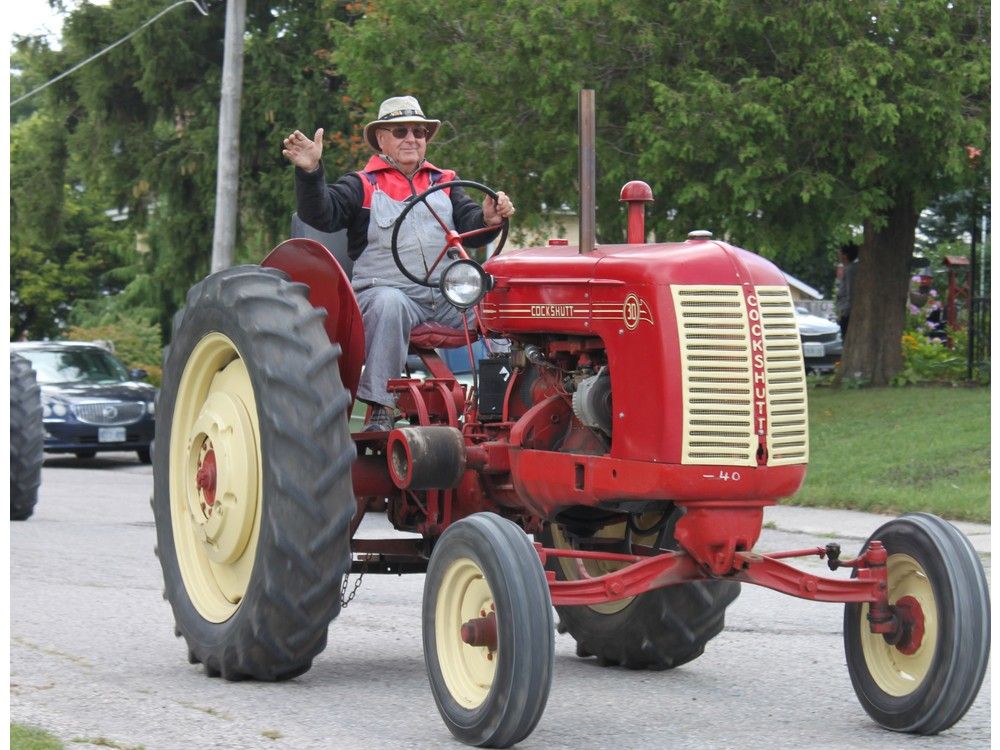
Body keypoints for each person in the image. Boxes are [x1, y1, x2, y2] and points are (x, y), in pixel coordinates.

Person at [282, 95, 515, 432]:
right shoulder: (362, 185)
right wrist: (310, 172)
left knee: (503, 306)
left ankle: (507, 403)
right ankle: (381, 408)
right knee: (389, 304)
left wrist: (489, 217)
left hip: (446, 299)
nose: (411, 138)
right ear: (382, 139)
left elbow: (470, 225)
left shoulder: (444, 183)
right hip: (386, 294)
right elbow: (321, 213)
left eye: (419, 132)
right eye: (401, 130)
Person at [836, 244, 858, 338]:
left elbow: (850, 291)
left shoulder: (850, 270)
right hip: (844, 309)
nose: (838, 253)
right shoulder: (848, 268)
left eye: (840, 251)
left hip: (846, 311)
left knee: (845, 337)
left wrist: (846, 312)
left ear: (845, 255)